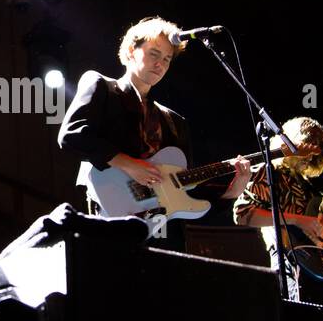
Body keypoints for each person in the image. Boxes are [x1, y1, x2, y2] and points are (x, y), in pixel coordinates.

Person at [57, 16, 252, 243]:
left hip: (165, 236)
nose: (160, 64)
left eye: (167, 59)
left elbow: (184, 192)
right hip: (113, 225)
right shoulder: (102, 85)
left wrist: (232, 191)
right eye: (154, 54)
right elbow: (72, 134)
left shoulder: (175, 121)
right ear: (131, 51)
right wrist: (130, 165)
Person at [232, 116, 323, 295]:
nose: (310, 157)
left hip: (316, 259)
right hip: (288, 259)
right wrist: (296, 220)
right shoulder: (266, 171)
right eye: (308, 150)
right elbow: (241, 214)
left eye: (315, 153)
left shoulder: (300, 179)